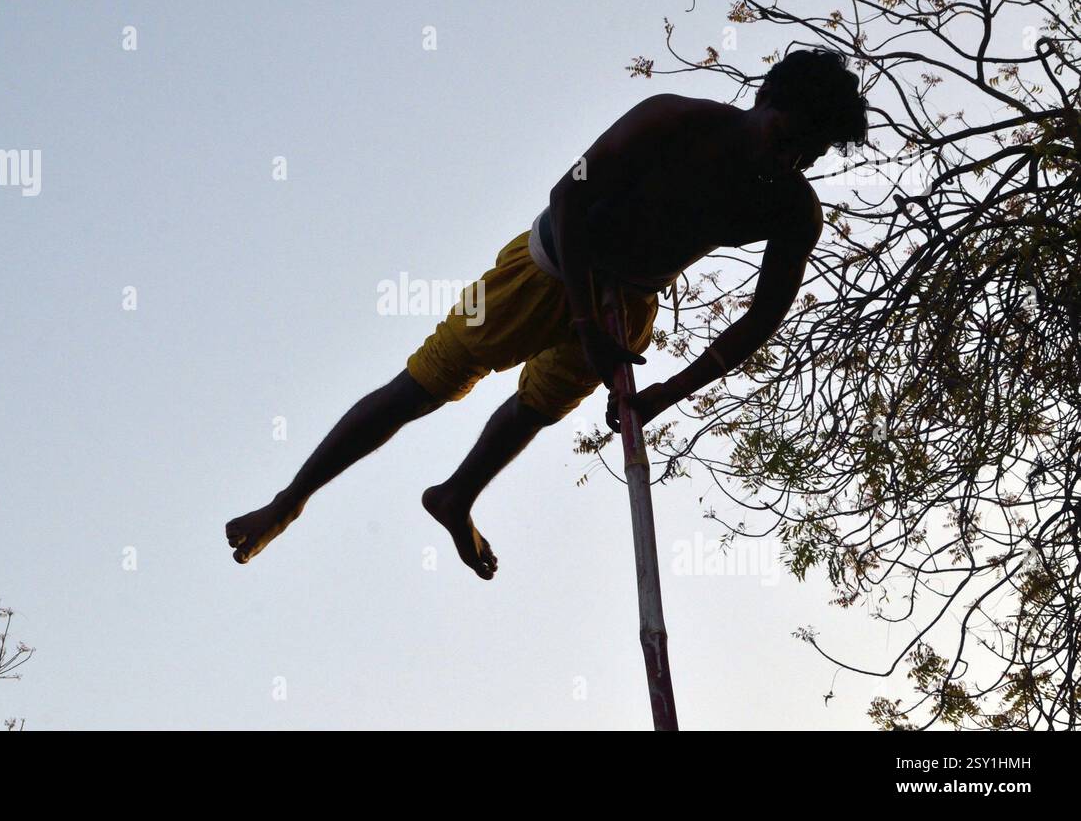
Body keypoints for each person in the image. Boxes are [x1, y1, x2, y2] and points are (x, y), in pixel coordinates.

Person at [227, 48, 869, 579]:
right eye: (787, 139)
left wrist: (664, 396)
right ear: (764, 104)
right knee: (422, 387)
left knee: (536, 408)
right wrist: (585, 321)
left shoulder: (792, 210)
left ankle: (455, 496)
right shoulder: (673, 120)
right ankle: (288, 502)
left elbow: (762, 321)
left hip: (628, 306)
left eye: (807, 155)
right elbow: (569, 191)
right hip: (546, 269)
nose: (789, 161)